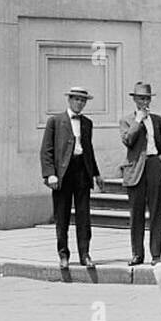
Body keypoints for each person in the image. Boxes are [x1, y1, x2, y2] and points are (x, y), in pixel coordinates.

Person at [40, 87, 103, 280]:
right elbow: (46, 151)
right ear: (69, 100)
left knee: (84, 216)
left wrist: (96, 173)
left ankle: (85, 254)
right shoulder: (55, 121)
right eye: (76, 100)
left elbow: (89, 149)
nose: (80, 103)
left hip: (82, 172)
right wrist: (50, 174)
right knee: (62, 216)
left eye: (83, 101)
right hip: (62, 175)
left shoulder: (87, 123)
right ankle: (64, 254)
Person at [119, 81, 161, 266]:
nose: (144, 102)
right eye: (141, 98)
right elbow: (128, 141)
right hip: (135, 169)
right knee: (136, 213)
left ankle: (156, 254)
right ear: (134, 100)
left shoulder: (159, 121)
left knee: (156, 211)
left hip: (154, 164)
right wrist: (138, 120)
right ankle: (137, 254)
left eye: (147, 98)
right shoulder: (126, 120)